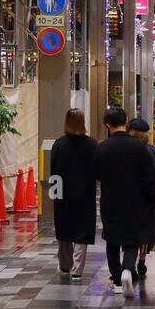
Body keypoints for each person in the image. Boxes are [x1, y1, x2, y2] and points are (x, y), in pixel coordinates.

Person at [95, 105, 155, 297]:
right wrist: (151, 198)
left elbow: (97, 174)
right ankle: (127, 269)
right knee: (132, 239)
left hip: (110, 199)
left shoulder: (102, 148)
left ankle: (116, 280)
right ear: (127, 120)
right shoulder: (140, 147)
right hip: (136, 200)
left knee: (112, 239)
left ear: (107, 124)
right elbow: (148, 178)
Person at [50, 108, 99, 281]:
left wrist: (54, 195)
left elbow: (53, 172)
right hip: (85, 194)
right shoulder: (92, 145)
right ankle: (77, 269)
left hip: (62, 194)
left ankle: (65, 265)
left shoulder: (59, 144)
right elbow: (97, 171)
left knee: (64, 229)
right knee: (82, 230)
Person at [128, 117, 155, 277]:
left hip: (129, 196)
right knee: (145, 229)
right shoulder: (152, 150)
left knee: (131, 228)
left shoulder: (128, 150)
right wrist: (153, 184)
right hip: (148, 196)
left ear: (132, 131)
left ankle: (129, 262)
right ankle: (142, 260)